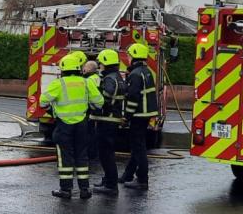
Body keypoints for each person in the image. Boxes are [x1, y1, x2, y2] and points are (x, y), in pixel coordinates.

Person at [39, 52, 93, 199]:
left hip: (64, 126)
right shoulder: (86, 82)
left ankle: (66, 190)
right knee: (82, 156)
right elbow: (99, 101)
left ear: (63, 69)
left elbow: (43, 102)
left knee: (65, 158)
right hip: (82, 125)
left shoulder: (58, 83)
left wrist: (53, 109)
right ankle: (84, 190)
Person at [120, 42, 159, 189]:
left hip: (138, 114)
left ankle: (142, 179)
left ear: (134, 56)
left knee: (139, 148)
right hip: (146, 114)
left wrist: (126, 117)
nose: (128, 58)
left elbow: (133, 98)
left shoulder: (135, 75)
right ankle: (128, 175)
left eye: (129, 55)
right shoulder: (146, 71)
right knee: (137, 146)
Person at [91, 48, 126, 195]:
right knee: (107, 153)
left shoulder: (109, 79)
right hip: (111, 120)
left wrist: (95, 98)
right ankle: (108, 180)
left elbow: (106, 98)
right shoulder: (116, 76)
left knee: (106, 154)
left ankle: (111, 186)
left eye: (100, 64)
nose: (99, 66)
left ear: (105, 63)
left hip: (107, 121)